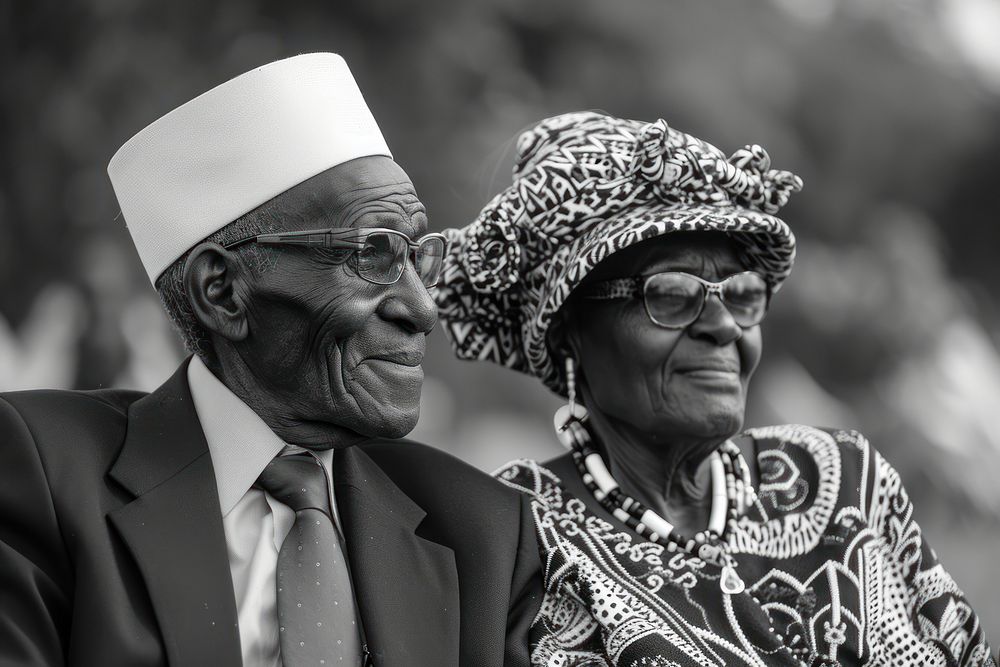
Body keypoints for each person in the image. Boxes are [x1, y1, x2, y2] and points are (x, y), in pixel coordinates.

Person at [0, 53, 540, 667]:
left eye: (420, 256)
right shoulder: (42, 473)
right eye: (370, 253)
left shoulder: (482, 533)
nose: (422, 309)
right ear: (223, 292)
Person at [435, 111, 995, 666]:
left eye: (742, 294)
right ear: (568, 332)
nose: (724, 325)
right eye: (673, 294)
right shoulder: (514, 539)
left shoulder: (842, 478)